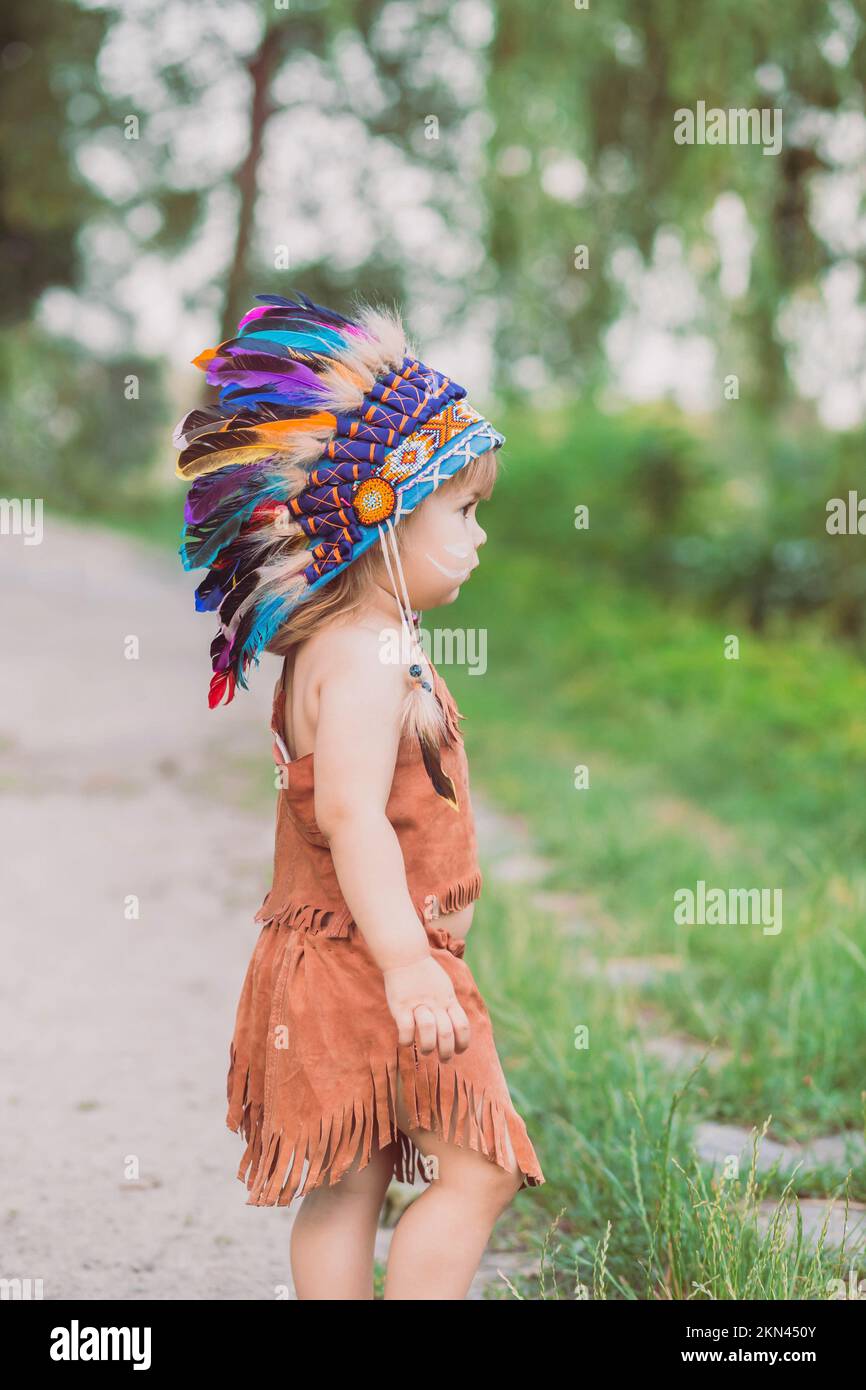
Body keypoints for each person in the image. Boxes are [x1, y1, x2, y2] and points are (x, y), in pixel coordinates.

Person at [174, 290, 545, 1300]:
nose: (476, 537)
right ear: (380, 514)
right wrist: (407, 966)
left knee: (348, 1182)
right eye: (462, 511)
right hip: (371, 964)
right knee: (480, 1167)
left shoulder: (334, 648)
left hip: (328, 963)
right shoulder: (371, 652)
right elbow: (348, 815)